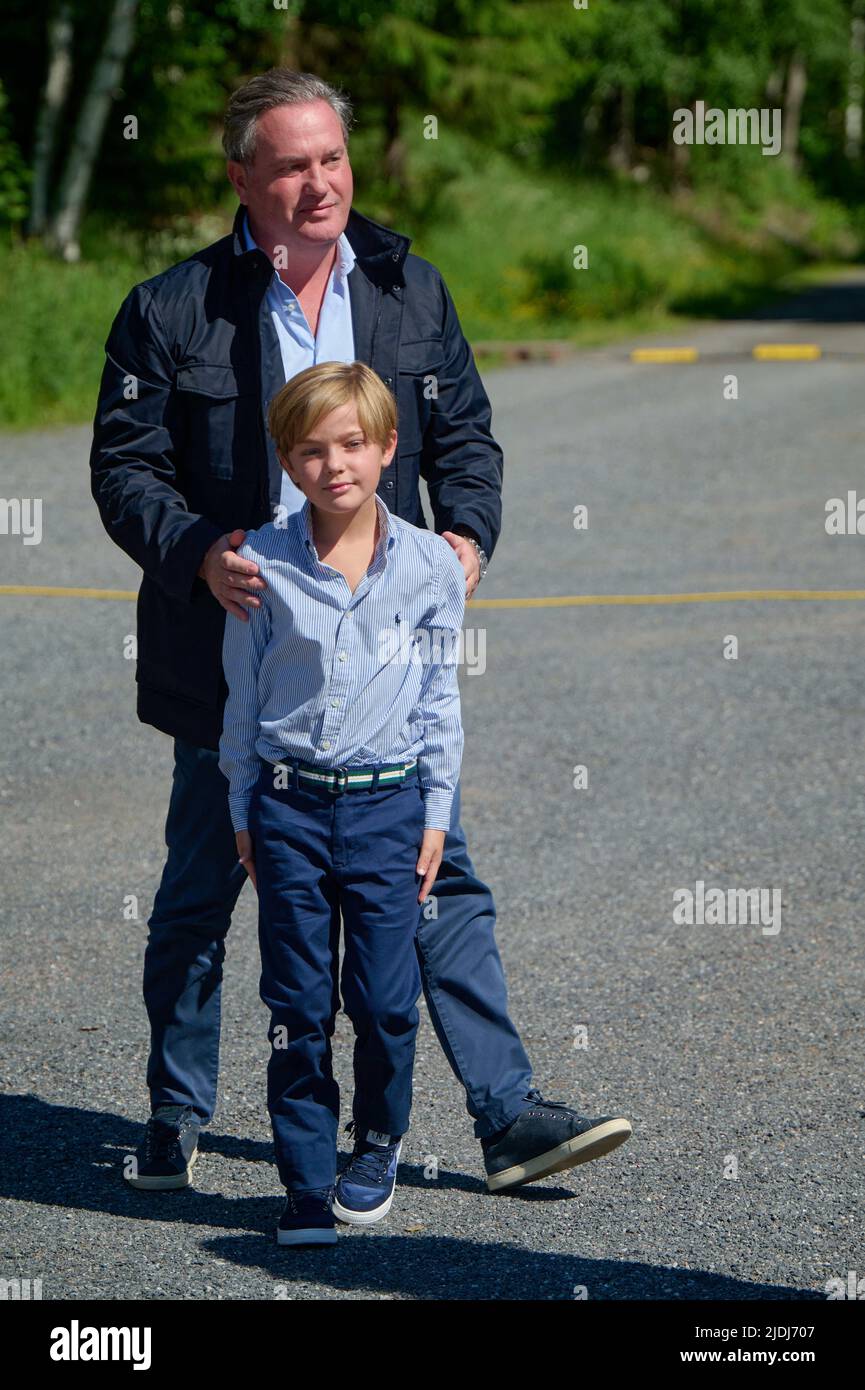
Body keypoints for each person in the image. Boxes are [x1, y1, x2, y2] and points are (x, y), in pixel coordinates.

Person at [89, 66, 631, 1196]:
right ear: (241, 176)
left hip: (387, 652)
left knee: (435, 872)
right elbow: (124, 464)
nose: (318, 181)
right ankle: (174, 1113)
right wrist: (197, 548)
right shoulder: (171, 306)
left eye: (331, 157)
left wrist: (468, 536)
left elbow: (467, 435)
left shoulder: (408, 286)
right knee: (202, 885)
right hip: (240, 649)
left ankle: (504, 1113)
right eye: (291, 163)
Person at [219, 359, 466, 1243]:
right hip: (287, 809)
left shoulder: (432, 565)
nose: (336, 466)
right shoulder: (259, 565)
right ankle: (304, 1181)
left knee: (386, 999)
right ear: (288, 462)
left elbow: (440, 700)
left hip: (389, 808)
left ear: (388, 448)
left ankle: (378, 1141)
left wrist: (436, 812)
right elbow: (243, 703)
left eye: (353, 444)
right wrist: (245, 809)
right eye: (313, 450)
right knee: (296, 1003)